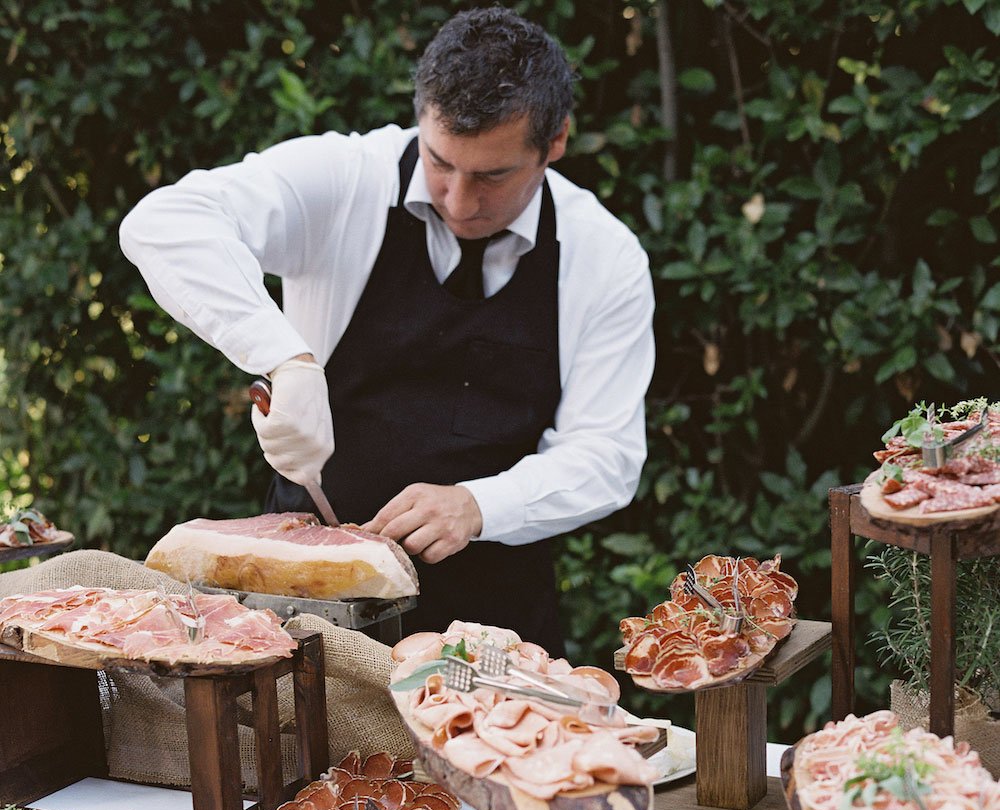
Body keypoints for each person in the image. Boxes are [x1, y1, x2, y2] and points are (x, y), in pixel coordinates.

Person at [120, 6, 654, 656]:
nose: (459, 201)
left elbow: (607, 456)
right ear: (421, 118)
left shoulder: (605, 257)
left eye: (492, 175)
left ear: (556, 142)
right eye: (439, 162)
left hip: (495, 626)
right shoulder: (346, 177)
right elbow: (165, 222)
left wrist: (479, 504)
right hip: (305, 616)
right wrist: (283, 356)